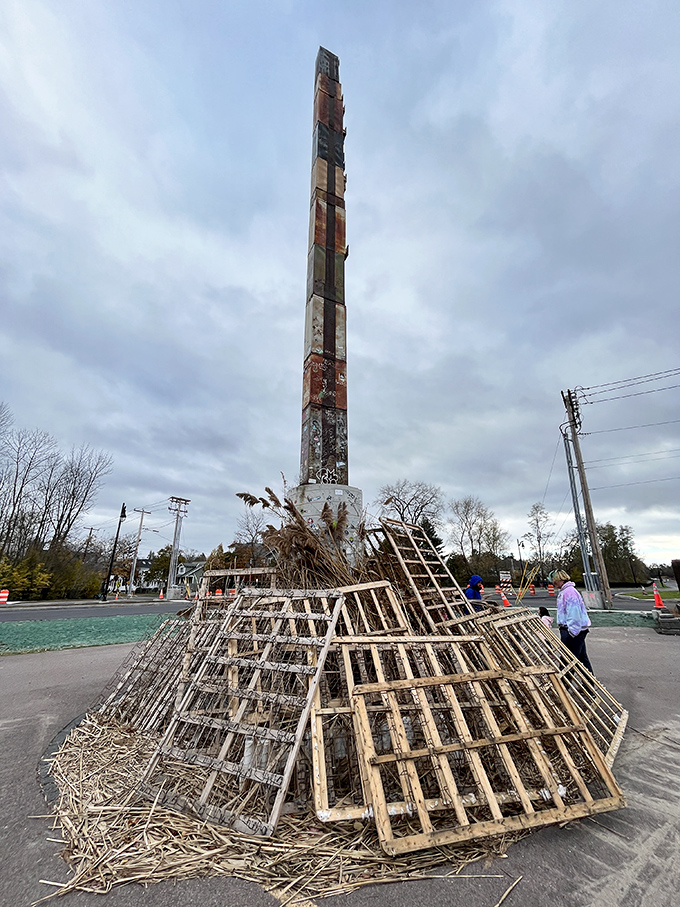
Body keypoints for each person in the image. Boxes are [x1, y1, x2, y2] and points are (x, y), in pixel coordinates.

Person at [553, 569, 593, 673]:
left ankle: (564, 684)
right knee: (581, 659)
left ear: (560, 579)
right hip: (574, 630)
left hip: (572, 631)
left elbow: (574, 613)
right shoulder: (565, 591)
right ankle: (588, 684)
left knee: (568, 660)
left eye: (555, 580)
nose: (553, 583)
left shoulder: (569, 592)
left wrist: (572, 632)